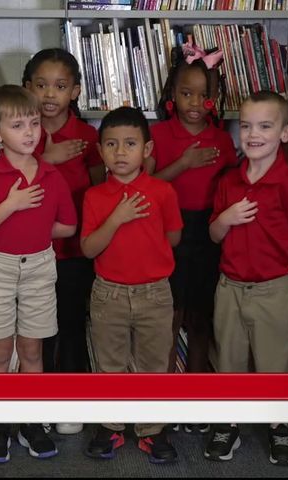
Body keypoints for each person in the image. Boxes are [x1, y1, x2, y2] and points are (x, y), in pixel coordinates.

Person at [0, 85, 77, 463]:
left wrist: (33, 226)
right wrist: (12, 204)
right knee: (0, 350)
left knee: (32, 349)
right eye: (17, 125)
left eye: (34, 123)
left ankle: (31, 421)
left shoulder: (50, 174)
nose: (30, 132)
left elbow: (68, 226)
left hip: (40, 266)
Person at [206, 91, 288, 466]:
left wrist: (271, 251)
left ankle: (279, 425)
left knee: (274, 362)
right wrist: (227, 218)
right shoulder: (229, 182)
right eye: (247, 126)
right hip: (230, 287)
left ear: (284, 133)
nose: (253, 134)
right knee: (228, 360)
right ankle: (228, 424)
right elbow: (214, 234)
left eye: (264, 126)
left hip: (273, 289)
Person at [80, 106, 183, 464]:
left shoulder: (162, 192)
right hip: (109, 292)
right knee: (109, 362)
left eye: (129, 144)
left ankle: (151, 429)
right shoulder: (95, 197)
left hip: (154, 292)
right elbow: (89, 247)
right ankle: (110, 424)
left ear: (147, 149)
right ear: (101, 150)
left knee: (154, 363)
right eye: (111, 144)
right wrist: (117, 219)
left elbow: (172, 237)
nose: (120, 152)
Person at [148, 44, 238, 436]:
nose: (196, 103)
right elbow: (146, 184)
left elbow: (233, 187)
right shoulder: (158, 134)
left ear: (214, 99)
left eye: (205, 95)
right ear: (172, 93)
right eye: (187, 93)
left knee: (202, 321)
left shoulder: (223, 139)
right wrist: (182, 163)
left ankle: (197, 399)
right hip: (169, 233)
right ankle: (165, 399)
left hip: (210, 234)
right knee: (170, 318)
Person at [22, 48, 104, 436]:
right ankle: (38, 401)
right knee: (36, 329)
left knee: (70, 323)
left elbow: (102, 188)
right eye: (41, 85)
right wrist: (45, 158)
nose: (50, 94)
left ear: (75, 91)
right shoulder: (21, 135)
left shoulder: (88, 136)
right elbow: (8, 187)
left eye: (60, 86)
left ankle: (70, 400)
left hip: (73, 252)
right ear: (27, 89)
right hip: (30, 252)